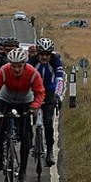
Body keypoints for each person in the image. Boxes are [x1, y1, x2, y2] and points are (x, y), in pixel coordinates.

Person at [0, 48, 45, 182]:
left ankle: (23, 171)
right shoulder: (4, 70)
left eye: (19, 66)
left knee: (26, 136)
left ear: (24, 65)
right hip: (6, 98)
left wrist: (35, 106)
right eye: (13, 66)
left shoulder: (32, 73)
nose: (16, 69)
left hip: (25, 100)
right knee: (0, 127)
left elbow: (40, 93)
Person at [32, 37, 64, 166]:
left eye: (47, 55)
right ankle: (28, 141)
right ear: (37, 53)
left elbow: (60, 78)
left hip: (49, 93)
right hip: (34, 92)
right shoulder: (32, 61)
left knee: (48, 121)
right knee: (26, 119)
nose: (44, 57)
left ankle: (49, 150)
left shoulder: (55, 61)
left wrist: (58, 94)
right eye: (42, 54)